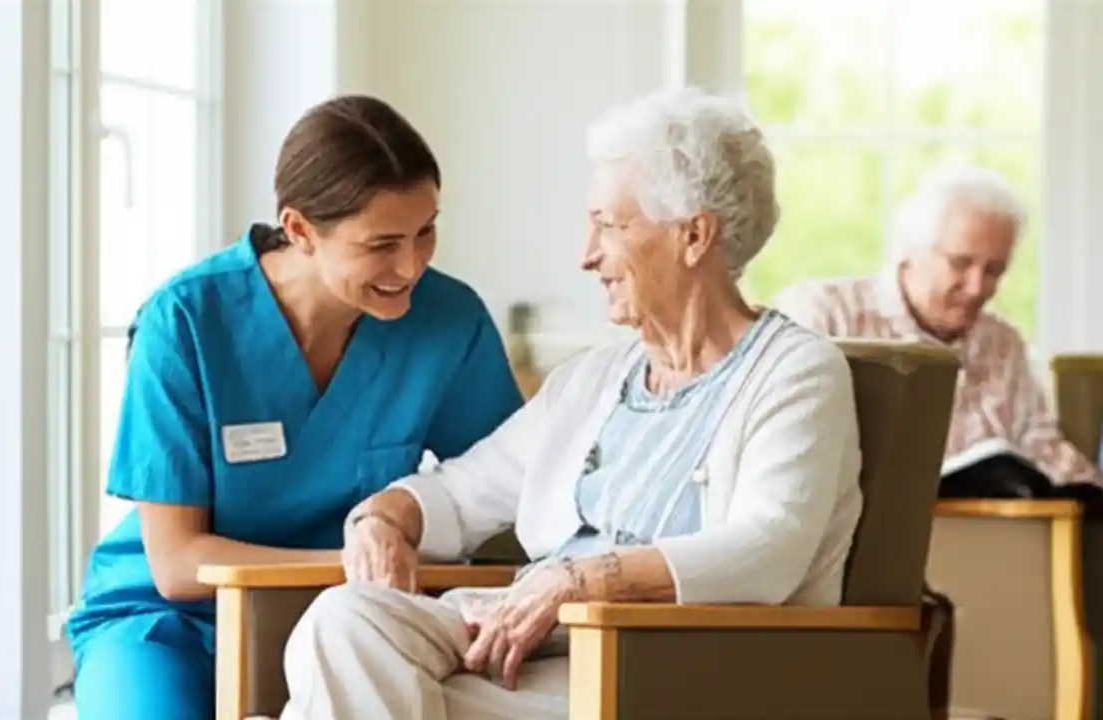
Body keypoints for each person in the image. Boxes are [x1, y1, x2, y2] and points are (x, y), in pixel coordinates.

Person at [277, 87, 864, 720]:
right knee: (345, 621)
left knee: (360, 697)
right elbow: (461, 490)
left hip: (672, 664)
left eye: (609, 226)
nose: (587, 256)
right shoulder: (595, 380)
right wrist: (385, 519)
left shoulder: (796, 373)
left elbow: (767, 550)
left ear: (693, 235)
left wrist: (580, 580)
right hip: (533, 645)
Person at [67, 95, 525, 720]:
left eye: (426, 231)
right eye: (382, 244)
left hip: (359, 620)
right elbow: (176, 564)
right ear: (301, 229)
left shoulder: (449, 321)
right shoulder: (186, 321)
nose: (412, 265)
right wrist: (365, 558)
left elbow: (511, 498)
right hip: (172, 620)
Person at [774, 165, 1103, 489]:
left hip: (989, 538)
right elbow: (787, 445)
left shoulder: (1004, 344)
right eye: (960, 264)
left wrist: (1085, 490)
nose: (977, 287)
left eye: (994, 270)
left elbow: (1044, 450)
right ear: (909, 253)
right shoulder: (825, 313)